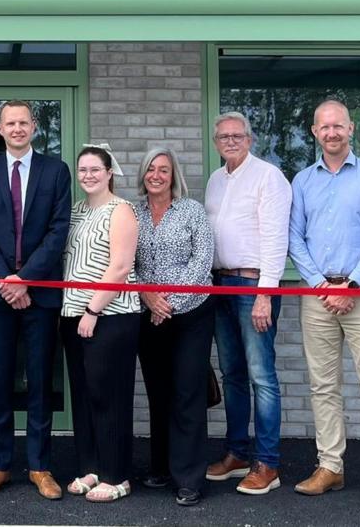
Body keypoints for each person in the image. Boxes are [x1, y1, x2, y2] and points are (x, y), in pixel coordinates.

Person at [288, 99, 360, 512]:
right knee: (323, 386)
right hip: (317, 295)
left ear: (351, 129)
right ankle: (330, 466)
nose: (331, 133)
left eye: (338, 126)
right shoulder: (302, 181)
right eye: (324, 127)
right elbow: (294, 238)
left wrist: (351, 284)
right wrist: (321, 284)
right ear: (314, 132)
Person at [0, 100, 71, 501]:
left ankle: (40, 467)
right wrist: (7, 282)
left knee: (41, 383)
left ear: (34, 127)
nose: (17, 128)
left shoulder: (55, 171)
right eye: (10, 123)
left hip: (40, 295)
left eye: (23, 122)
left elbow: (59, 229)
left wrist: (25, 279)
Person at [203, 112, 292, 495]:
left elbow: (276, 238)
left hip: (254, 285)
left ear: (250, 139)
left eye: (238, 135)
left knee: (261, 376)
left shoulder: (268, 177)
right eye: (223, 136)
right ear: (216, 141)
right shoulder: (215, 180)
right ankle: (237, 453)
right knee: (233, 374)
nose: (231, 141)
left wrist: (265, 294)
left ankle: (268, 463)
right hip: (220, 285)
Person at [132, 146, 215, 507]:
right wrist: (149, 299)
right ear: (143, 174)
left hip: (191, 314)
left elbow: (203, 262)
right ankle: (161, 466)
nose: (156, 175)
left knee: (187, 393)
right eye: (151, 169)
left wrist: (170, 305)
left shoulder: (192, 211)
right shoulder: (131, 212)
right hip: (148, 314)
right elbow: (124, 262)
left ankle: (190, 478)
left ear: (173, 175)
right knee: (158, 393)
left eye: (163, 170)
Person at [60, 144, 141, 503]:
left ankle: (117, 475)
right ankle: (91, 467)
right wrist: (78, 313)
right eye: (83, 170)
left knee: (109, 395)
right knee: (83, 395)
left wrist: (93, 310)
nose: (88, 175)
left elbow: (121, 266)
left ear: (110, 172)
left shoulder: (120, 210)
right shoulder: (76, 211)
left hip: (110, 316)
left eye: (95, 169)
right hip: (73, 315)